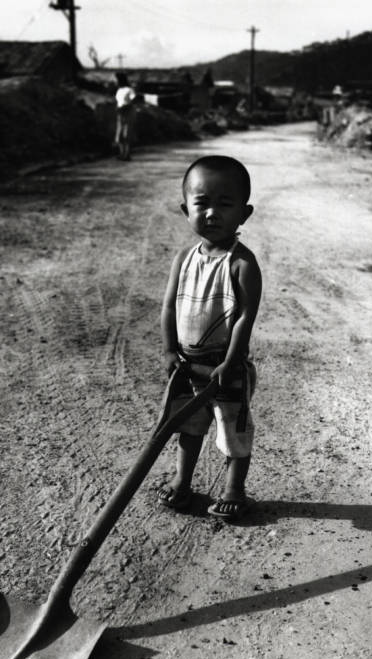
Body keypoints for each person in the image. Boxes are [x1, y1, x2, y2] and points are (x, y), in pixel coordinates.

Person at [159, 155, 262, 521]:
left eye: (225, 204)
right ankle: (183, 481)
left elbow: (245, 317)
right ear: (186, 209)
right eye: (202, 203)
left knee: (233, 431)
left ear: (244, 214)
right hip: (188, 366)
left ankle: (235, 489)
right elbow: (169, 308)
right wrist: (170, 349)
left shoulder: (242, 264)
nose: (212, 213)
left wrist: (230, 362)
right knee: (187, 427)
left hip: (225, 366)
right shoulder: (183, 260)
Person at [114, 72, 136, 161]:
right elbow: (118, 102)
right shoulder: (119, 90)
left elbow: (133, 100)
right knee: (119, 136)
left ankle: (127, 154)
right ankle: (121, 153)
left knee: (126, 134)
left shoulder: (129, 90)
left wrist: (125, 107)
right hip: (120, 112)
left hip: (128, 112)